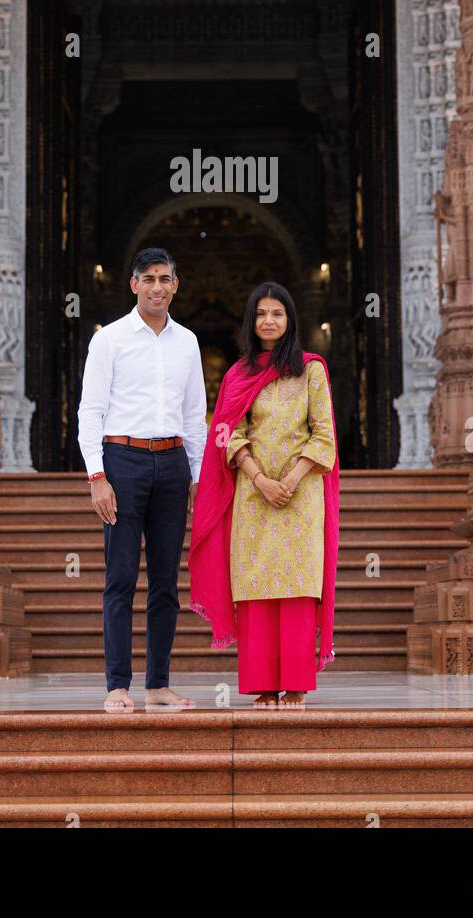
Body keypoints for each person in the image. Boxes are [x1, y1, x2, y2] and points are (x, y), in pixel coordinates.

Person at [189, 282, 339, 710]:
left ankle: (294, 684)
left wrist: (290, 481)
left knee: (294, 585)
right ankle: (263, 685)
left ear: (290, 320)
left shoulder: (311, 369)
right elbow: (229, 434)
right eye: (261, 314)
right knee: (255, 586)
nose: (268, 321)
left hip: (301, 494)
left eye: (277, 313)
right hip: (254, 496)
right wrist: (259, 479)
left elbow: (324, 435)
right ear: (251, 322)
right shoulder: (240, 375)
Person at [77, 247, 208, 713]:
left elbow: (195, 416)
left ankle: (157, 685)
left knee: (167, 582)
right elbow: (90, 410)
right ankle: (117, 685)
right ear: (133, 284)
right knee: (120, 577)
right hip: (123, 460)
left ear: (176, 284)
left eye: (165, 278)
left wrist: (197, 475)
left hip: (172, 463)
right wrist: (97, 476)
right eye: (148, 278)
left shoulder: (187, 342)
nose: (157, 286)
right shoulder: (109, 340)